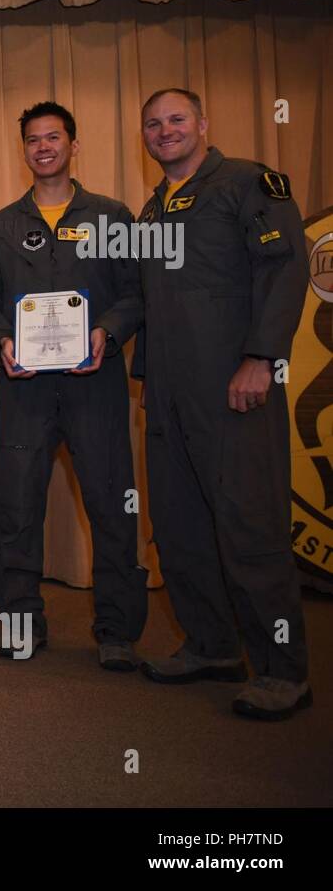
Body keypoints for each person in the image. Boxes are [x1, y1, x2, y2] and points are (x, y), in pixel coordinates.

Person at [134, 88, 311, 719]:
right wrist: (147, 377)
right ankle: (211, 646)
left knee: (249, 527)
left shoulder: (248, 183)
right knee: (178, 528)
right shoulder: (153, 209)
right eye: (153, 124)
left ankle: (282, 669)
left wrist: (261, 358)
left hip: (235, 388)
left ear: (203, 123)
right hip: (169, 395)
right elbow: (153, 301)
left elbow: (285, 269)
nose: (165, 131)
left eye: (176, 119)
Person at [0, 101, 146, 669]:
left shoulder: (112, 217)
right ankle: (20, 621)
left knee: (111, 504)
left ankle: (117, 630)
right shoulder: (0, 226)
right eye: (33, 140)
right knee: (15, 508)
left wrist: (108, 331)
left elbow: (136, 293)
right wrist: (0, 340)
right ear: (23, 150)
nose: (43, 147)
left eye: (53, 138)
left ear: (73, 146)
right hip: (24, 387)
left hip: (94, 385)